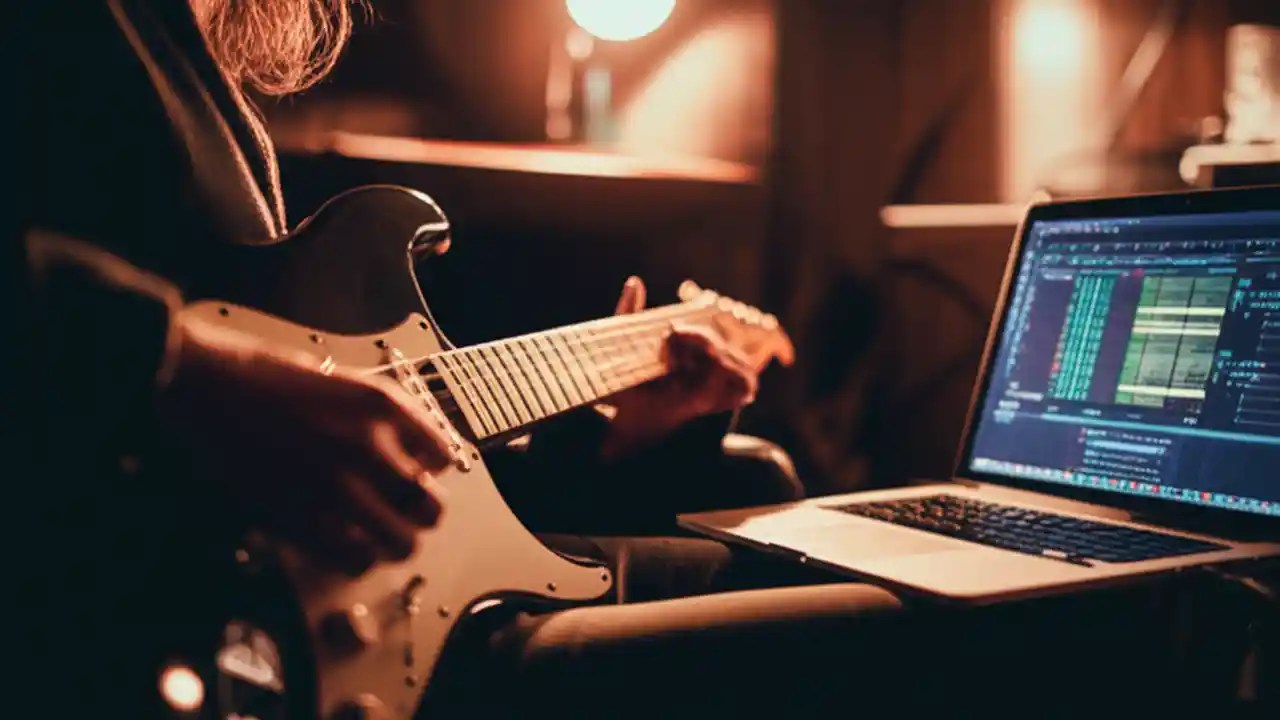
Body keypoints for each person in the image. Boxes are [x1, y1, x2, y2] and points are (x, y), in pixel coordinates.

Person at [9, 2, 1198, 718]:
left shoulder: (181, 45)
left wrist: (608, 439)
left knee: (767, 483)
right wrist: (167, 368)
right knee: (1041, 624)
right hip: (176, 624)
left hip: (337, 583)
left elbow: (356, 406)